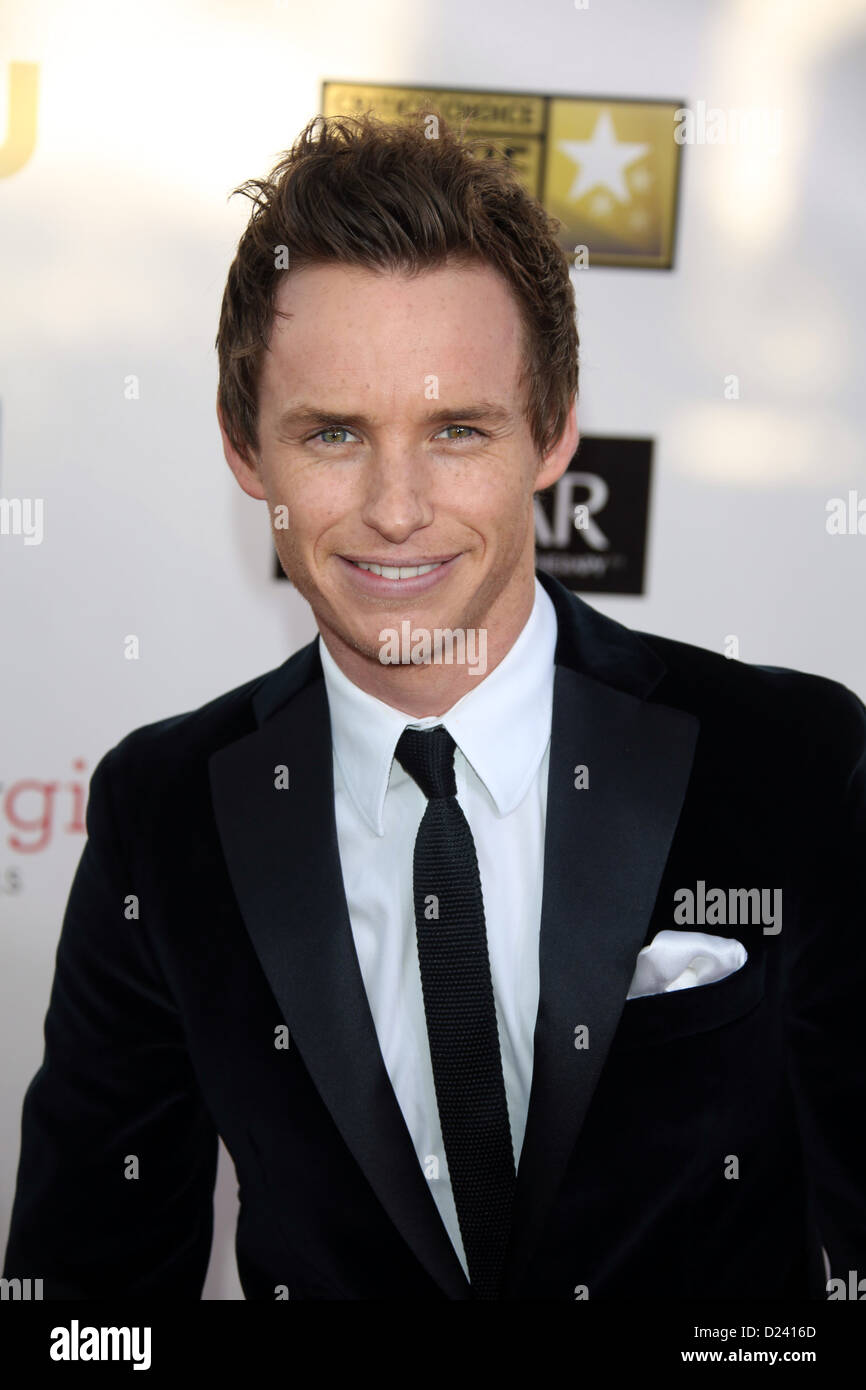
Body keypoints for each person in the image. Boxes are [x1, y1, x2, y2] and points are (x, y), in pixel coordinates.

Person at [4, 111, 865, 1301]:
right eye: (334, 433)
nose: (395, 508)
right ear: (244, 450)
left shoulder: (789, 762)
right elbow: (84, 1304)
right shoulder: (168, 811)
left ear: (554, 432)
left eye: (456, 429)